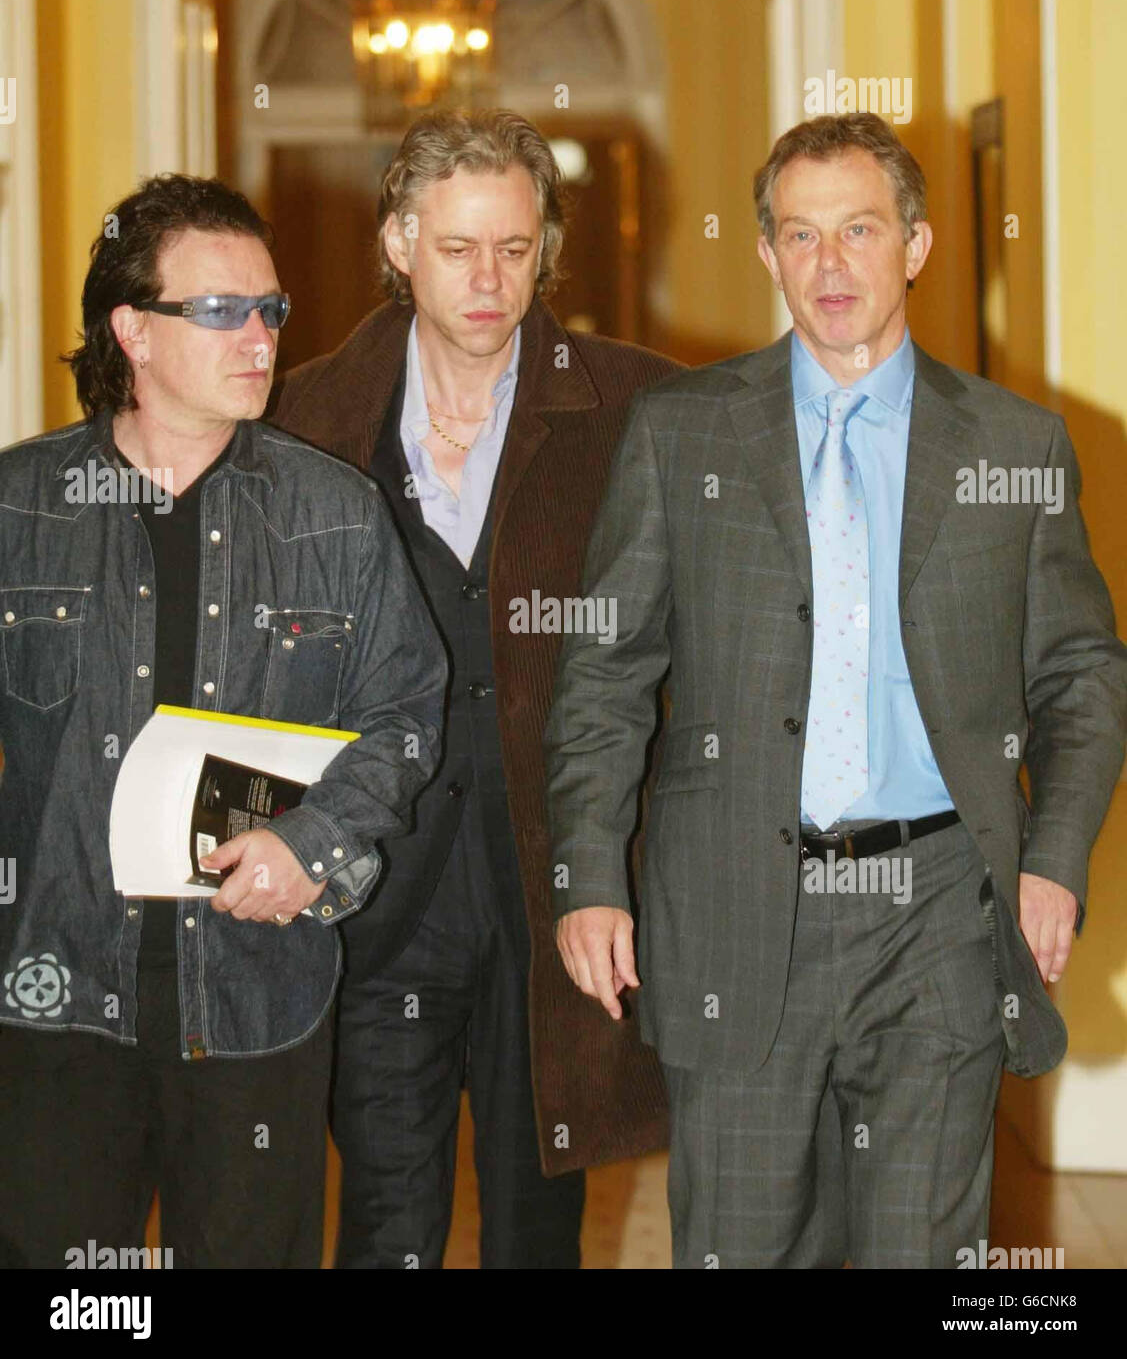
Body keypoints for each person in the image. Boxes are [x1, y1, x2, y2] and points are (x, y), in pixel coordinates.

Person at [544, 111, 1127, 1268]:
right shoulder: (680, 433)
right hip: (737, 916)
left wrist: (1052, 860)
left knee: (921, 1250)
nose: (827, 265)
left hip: (938, 915)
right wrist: (588, 874)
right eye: (798, 235)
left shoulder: (1014, 444)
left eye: (856, 229)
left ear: (912, 243)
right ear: (764, 253)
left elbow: (1080, 676)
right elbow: (603, 671)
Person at [0, 175, 446, 1269]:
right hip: (52, 998)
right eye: (220, 311)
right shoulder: (19, 509)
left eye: (270, 311)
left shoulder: (333, 511)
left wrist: (316, 844)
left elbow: (402, 714)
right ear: (131, 330)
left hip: (257, 998)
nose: (259, 337)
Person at [270, 107, 680, 1268]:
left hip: (553, 889)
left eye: (514, 246)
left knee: (536, 1223)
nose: (489, 278)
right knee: (385, 1218)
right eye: (456, 249)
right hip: (370, 881)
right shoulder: (302, 416)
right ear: (399, 243)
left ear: (545, 244)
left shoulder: (637, 405)